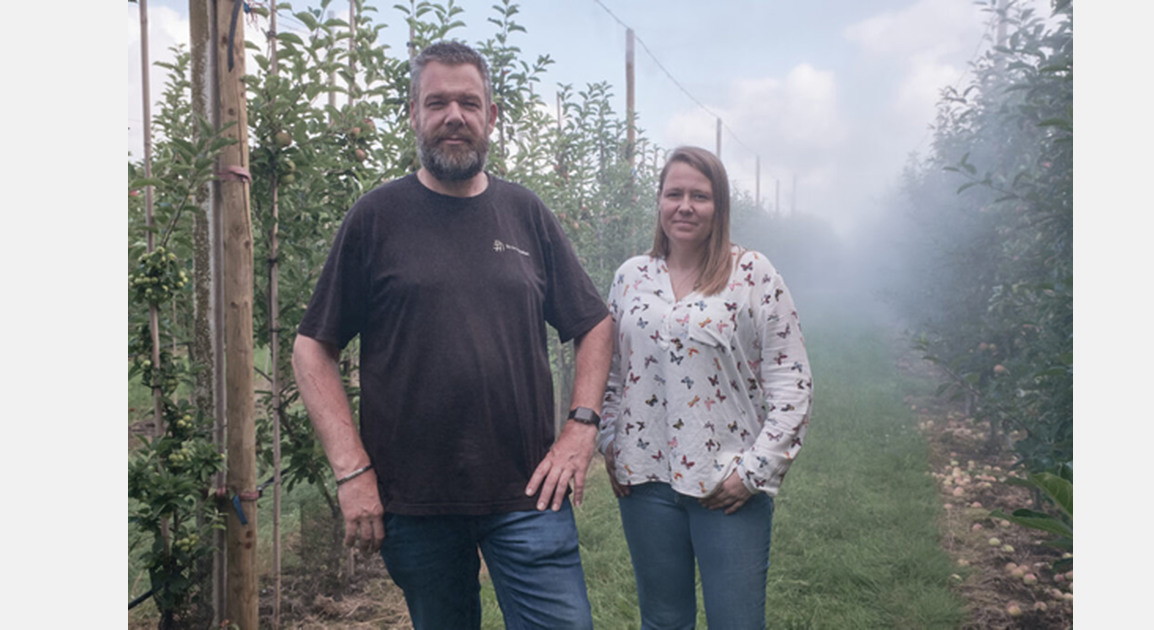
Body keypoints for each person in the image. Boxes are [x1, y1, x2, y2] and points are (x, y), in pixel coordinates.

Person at [292, 40, 613, 630]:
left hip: (529, 491)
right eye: (437, 103)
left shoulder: (525, 212)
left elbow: (593, 322)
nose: (454, 116)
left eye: (469, 102)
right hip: (415, 501)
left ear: (492, 116)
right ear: (413, 114)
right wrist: (351, 468)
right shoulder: (376, 217)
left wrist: (580, 428)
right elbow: (313, 347)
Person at [599, 146, 813, 629]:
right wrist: (610, 440)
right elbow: (610, 371)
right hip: (645, 482)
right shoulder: (631, 277)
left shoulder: (752, 274)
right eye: (674, 194)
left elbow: (792, 382)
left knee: (736, 622)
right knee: (663, 621)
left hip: (726, 481)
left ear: (720, 206)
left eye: (700, 196)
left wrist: (755, 470)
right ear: (659, 201)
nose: (685, 206)